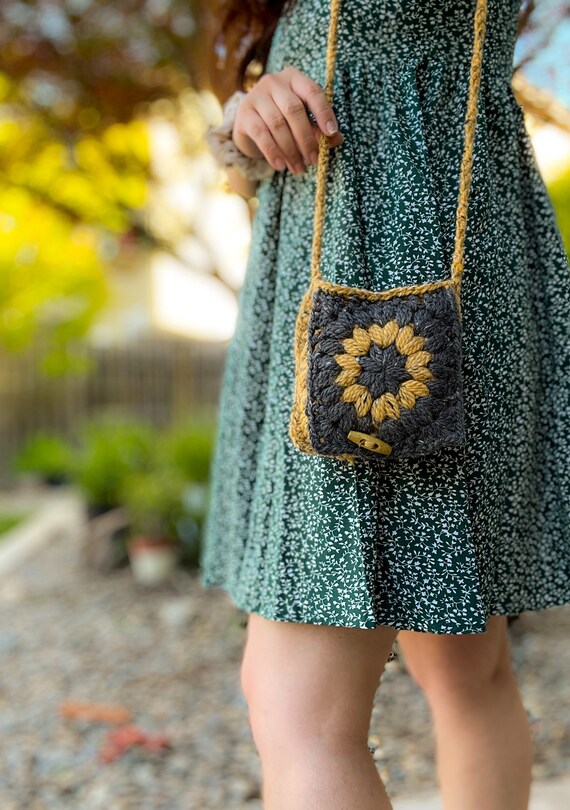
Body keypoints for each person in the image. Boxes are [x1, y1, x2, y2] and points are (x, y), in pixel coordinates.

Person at [200, 1, 570, 808]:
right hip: (406, 261)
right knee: (463, 665)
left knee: (298, 708)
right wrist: (249, 112)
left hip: (389, 283)